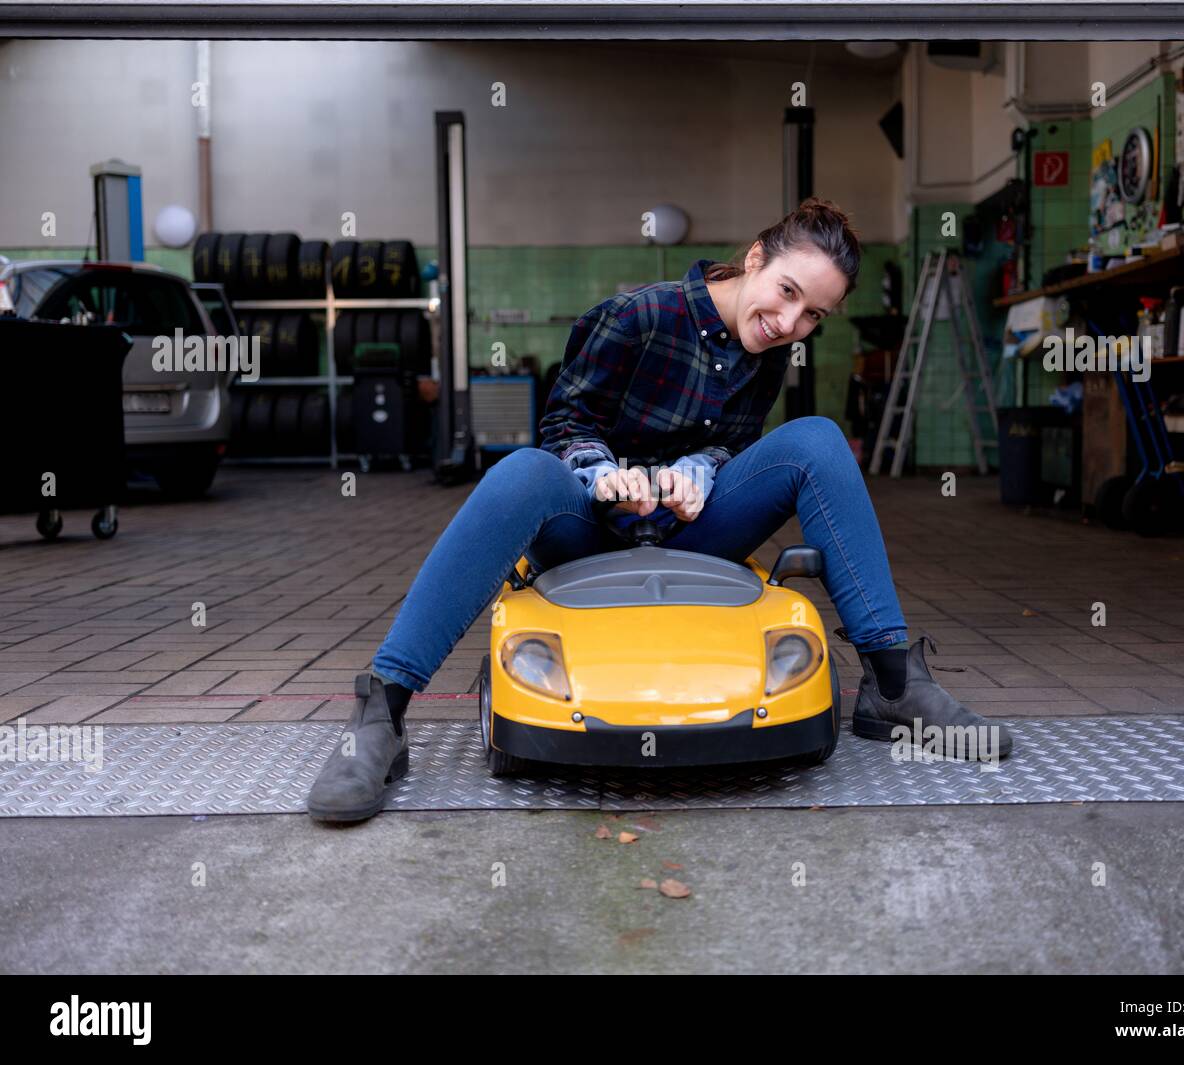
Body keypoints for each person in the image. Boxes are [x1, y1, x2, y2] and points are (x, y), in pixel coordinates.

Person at [307, 197, 1013, 823]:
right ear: (756, 258)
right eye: (787, 291)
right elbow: (564, 428)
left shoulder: (769, 355)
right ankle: (383, 714)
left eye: (813, 316)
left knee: (819, 442)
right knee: (521, 471)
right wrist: (605, 474)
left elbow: (730, 448)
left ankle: (894, 687)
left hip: (693, 530)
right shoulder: (639, 316)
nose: (789, 322)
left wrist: (694, 474)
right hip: (591, 526)